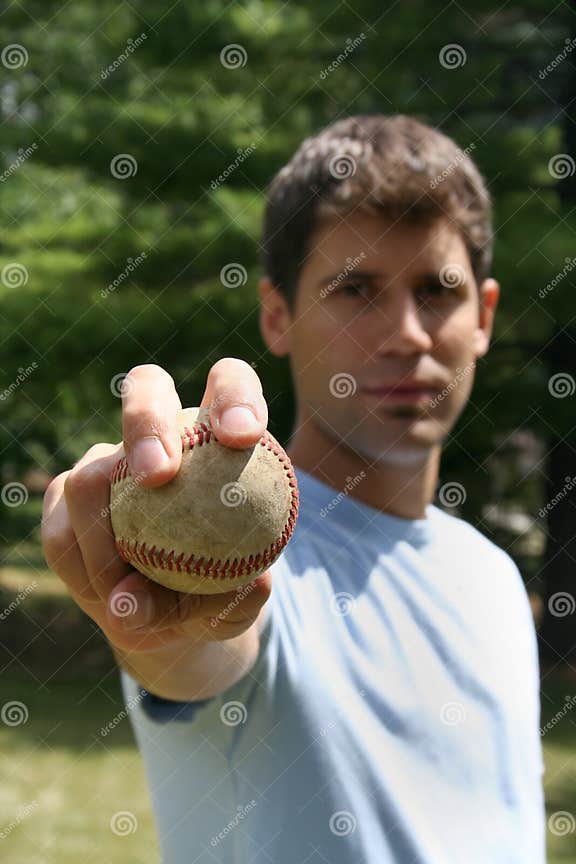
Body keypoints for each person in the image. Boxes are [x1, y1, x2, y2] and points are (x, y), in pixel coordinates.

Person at [41, 114, 546, 863]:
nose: (407, 332)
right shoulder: (253, 572)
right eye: (356, 289)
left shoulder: (495, 577)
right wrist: (161, 616)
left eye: (439, 290)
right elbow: (205, 647)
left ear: (484, 317)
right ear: (277, 316)